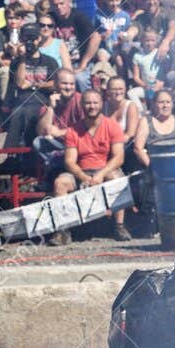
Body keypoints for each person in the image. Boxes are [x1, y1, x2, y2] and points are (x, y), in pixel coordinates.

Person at [59, 87, 129, 240]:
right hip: (81, 172)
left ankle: (119, 226)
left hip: (104, 171)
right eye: (88, 103)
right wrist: (83, 177)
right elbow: (69, 161)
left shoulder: (112, 125)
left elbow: (119, 157)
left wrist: (100, 175)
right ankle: (62, 231)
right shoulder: (73, 130)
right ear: (82, 105)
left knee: (118, 178)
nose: (92, 106)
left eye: (95, 103)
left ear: (101, 104)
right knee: (61, 182)